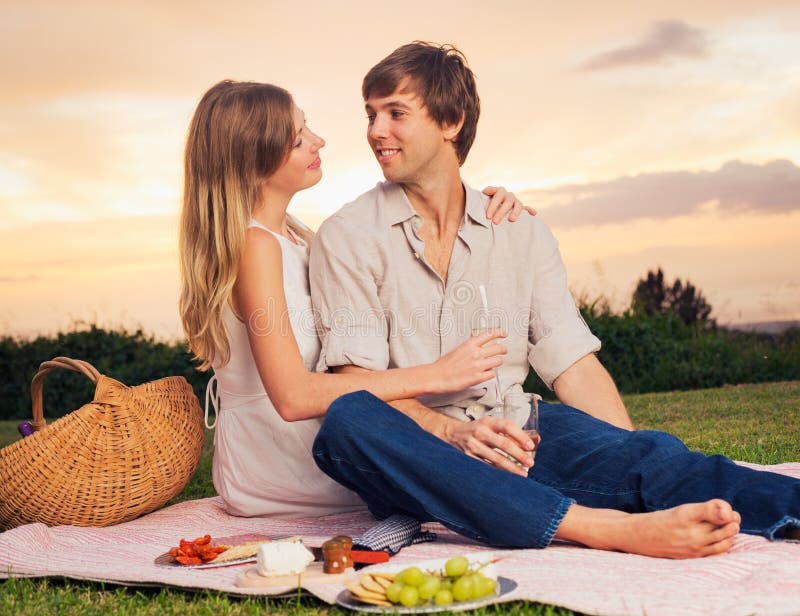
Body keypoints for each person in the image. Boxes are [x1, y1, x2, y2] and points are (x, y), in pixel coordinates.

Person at [308, 41, 800, 557]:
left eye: (395, 113)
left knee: (658, 459)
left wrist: (625, 454)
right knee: (348, 421)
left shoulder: (518, 230)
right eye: (371, 114)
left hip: (520, 431)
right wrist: (451, 434)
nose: (374, 132)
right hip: (416, 449)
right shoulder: (347, 235)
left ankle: (552, 502)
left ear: (450, 120)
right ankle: (604, 528)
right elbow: (352, 382)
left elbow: (570, 361)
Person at [177, 79, 529, 518]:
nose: (317, 141)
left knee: (505, 453)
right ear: (254, 158)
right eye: (297, 139)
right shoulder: (255, 248)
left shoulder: (296, 239)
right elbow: (292, 396)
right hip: (285, 467)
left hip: (324, 446)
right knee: (495, 471)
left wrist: (475, 205)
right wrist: (437, 374)